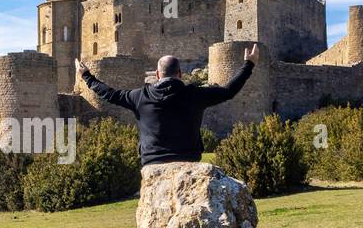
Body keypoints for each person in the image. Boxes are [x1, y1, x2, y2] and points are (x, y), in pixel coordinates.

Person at [76, 46, 259, 166]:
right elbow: (229, 91)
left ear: (157, 74)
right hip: (188, 162)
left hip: (153, 164)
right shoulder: (195, 94)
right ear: (180, 73)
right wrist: (248, 64)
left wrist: (86, 76)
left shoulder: (139, 96)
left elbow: (110, 94)